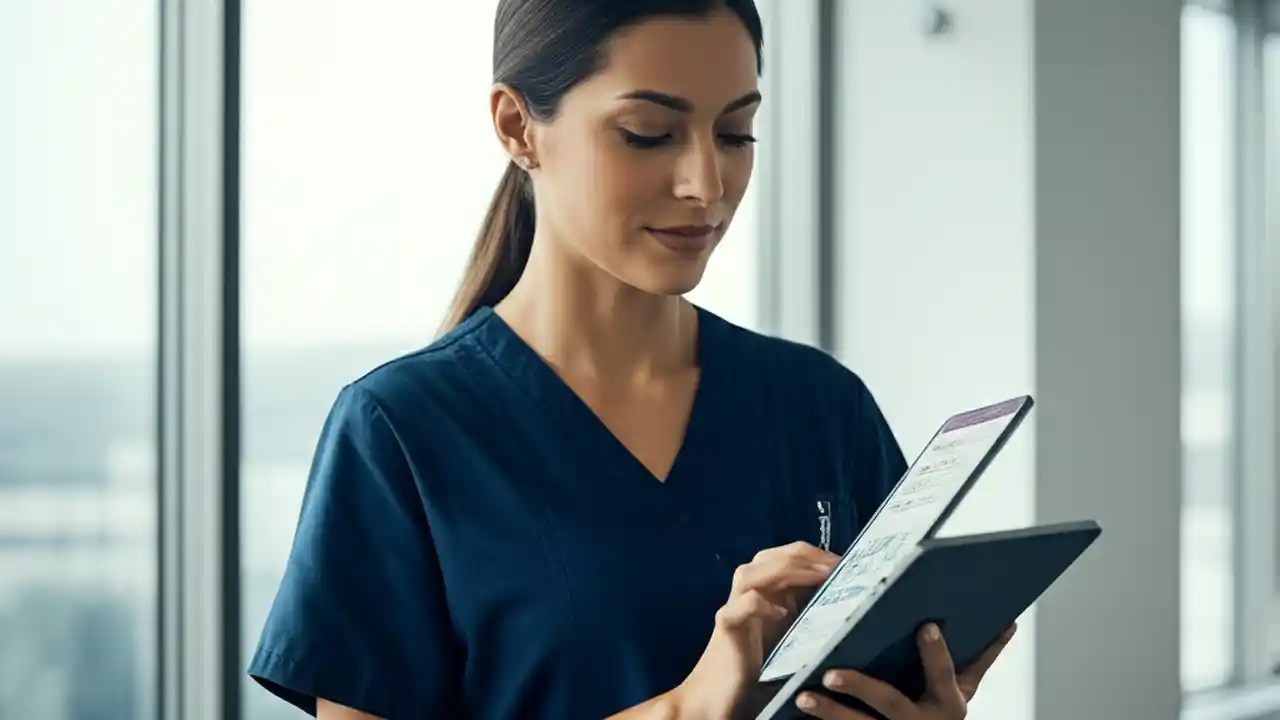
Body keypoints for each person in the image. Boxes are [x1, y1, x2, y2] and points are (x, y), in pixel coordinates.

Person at [247, 1, 1016, 718]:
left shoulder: (821, 404)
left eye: (736, 134)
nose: (706, 185)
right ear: (518, 126)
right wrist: (687, 706)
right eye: (649, 132)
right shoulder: (402, 432)